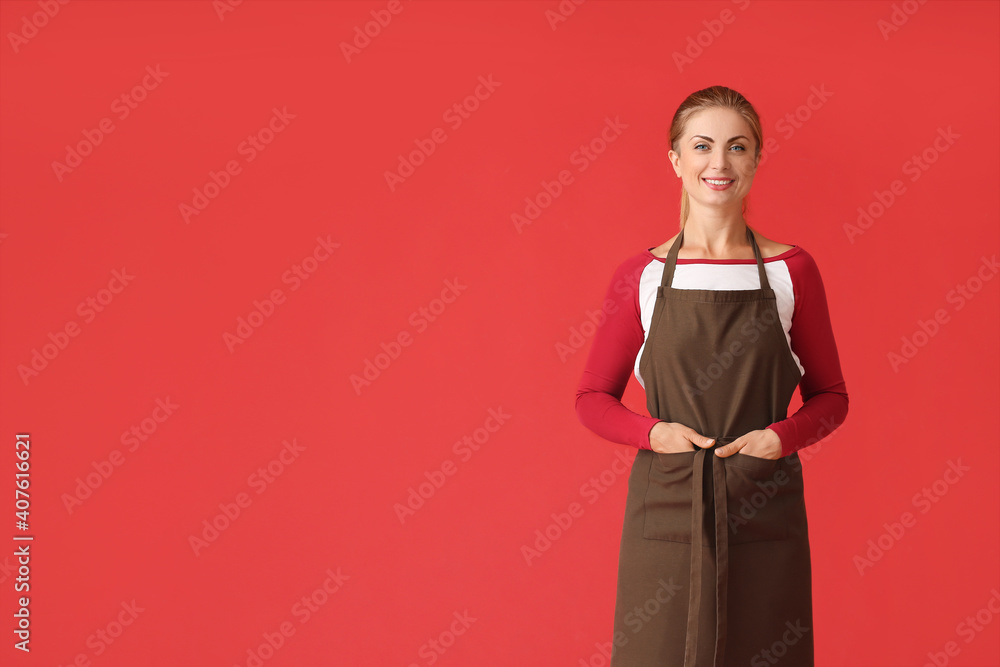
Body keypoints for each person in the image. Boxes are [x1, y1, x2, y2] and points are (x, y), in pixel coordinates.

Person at [574, 85, 849, 667]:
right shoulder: (641, 276)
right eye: (702, 146)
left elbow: (832, 396)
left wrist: (783, 437)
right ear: (676, 160)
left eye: (737, 146)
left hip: (761, 504)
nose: (719, 163)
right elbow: (591, 397)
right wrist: (654, 435)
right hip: (668, 504)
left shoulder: (791, 271)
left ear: (756, 159)